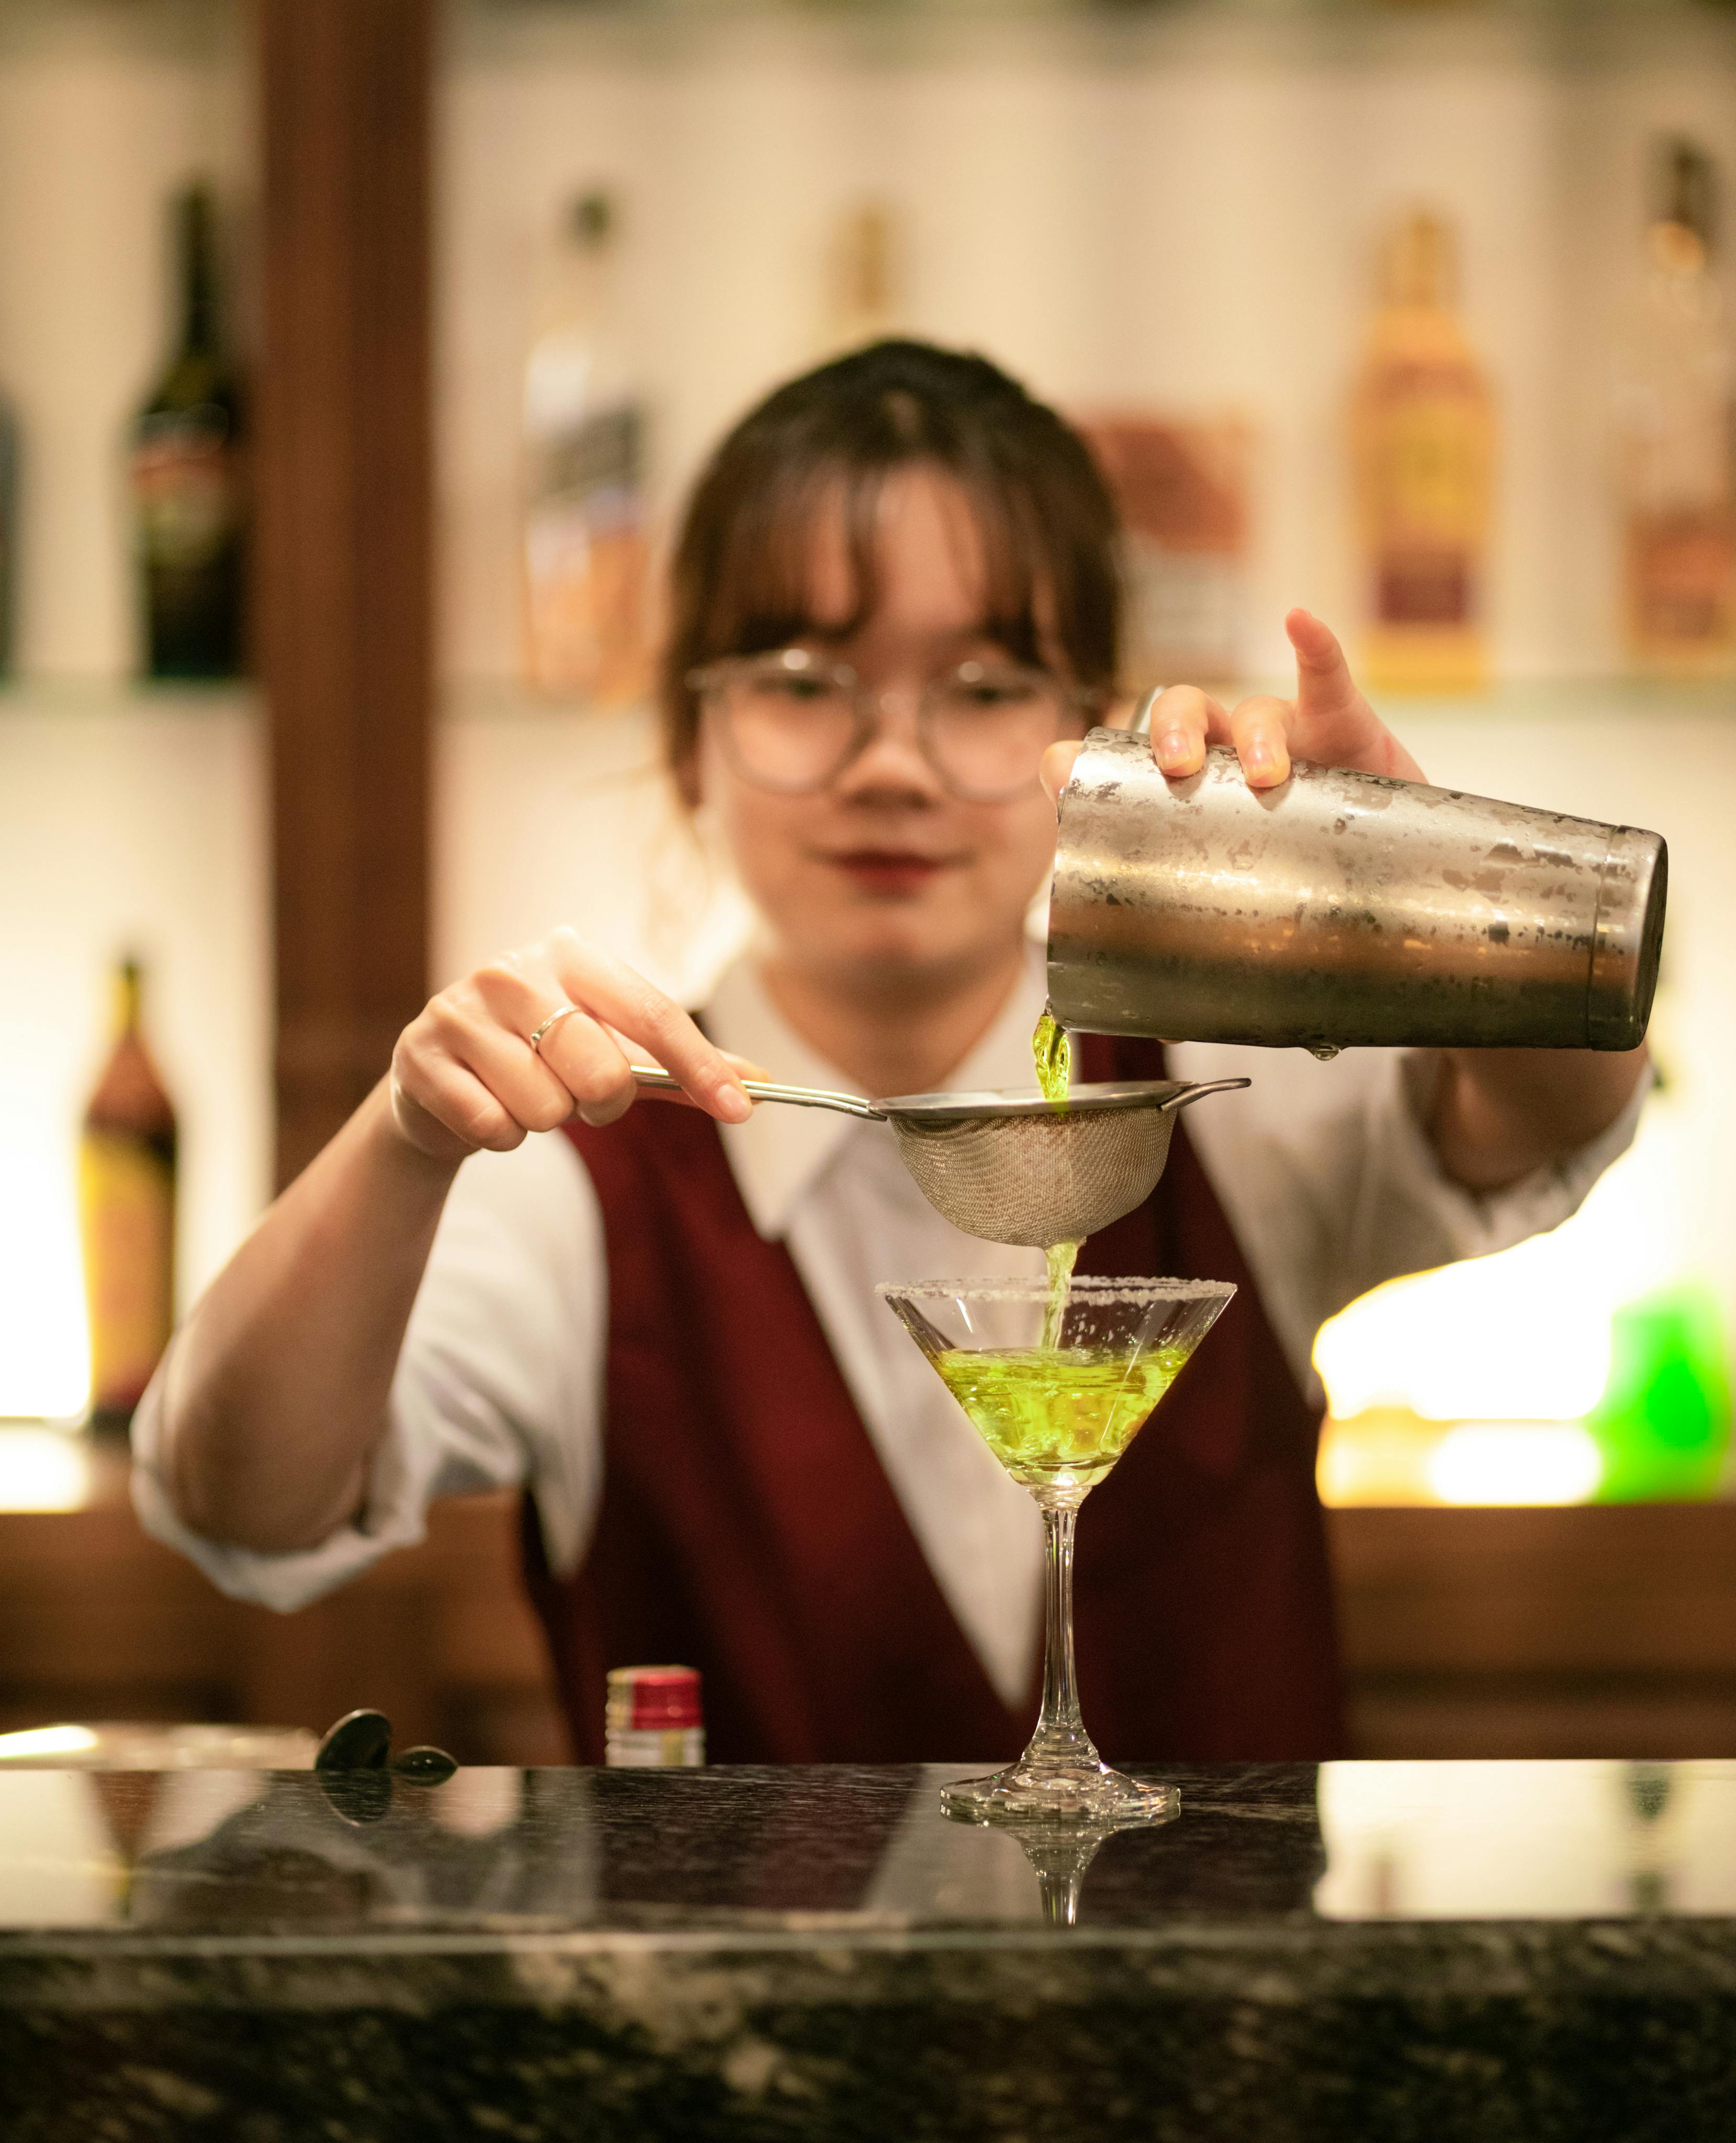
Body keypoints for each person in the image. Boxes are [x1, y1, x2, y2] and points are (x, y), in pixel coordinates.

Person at [133, 341, 1647, 1763]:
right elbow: (240, 1505)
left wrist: (1433, 880)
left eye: (984, 689)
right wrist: (404, 1134)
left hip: (1231, 2039)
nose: (893, 764)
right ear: (688, 740)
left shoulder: (1229, 1094)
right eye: (802, 682)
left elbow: (1555, 1116)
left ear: (1093, 731)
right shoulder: (582, 1175)